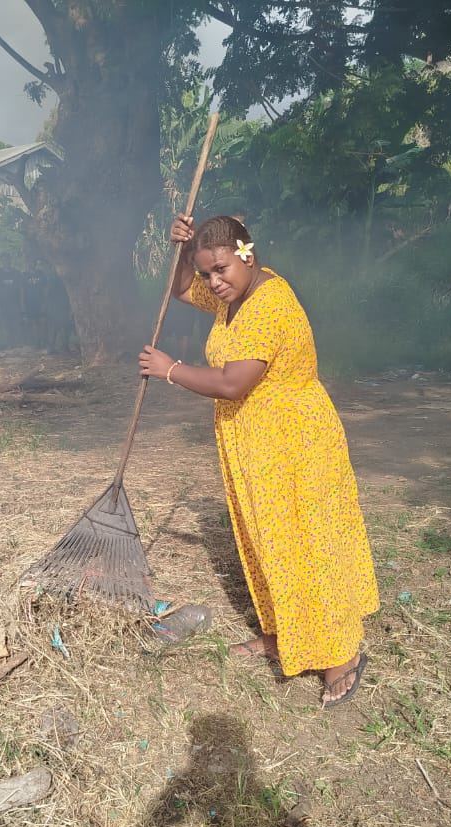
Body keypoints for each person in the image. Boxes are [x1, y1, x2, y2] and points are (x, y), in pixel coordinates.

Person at [138, 214, 380, 708]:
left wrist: (172, 370)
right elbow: (182, 289)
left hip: (295, 444)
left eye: (221, 268)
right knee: (269, 542)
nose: (213, 282)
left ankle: (340, 656)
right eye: (209, 272)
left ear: (247, 252)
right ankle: (286, 634)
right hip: (255, 444)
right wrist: (184, 251)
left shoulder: (269, 305)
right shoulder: (235, 295)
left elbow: (232, 383)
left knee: (310, 546)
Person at [0, 254, 23, 348]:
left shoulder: (16, 273)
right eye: (4, 260)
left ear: (10, 260)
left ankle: (17, 344)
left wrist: (21, 303)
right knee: (6, 324)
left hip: (15, 303)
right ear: (2, 261)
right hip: (3, 304)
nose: (6, 262)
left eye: (7, 260)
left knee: (16, 324)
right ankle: (8, 345)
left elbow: (21, 289)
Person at [22, 261, 50, 349]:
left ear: (35, 263)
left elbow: (46, 288)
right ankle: (37, 342)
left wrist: (45, 302)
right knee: (34, 323)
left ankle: (45, 341)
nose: (31, 264)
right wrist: (23, 304)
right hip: (30, 302)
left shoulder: (41, 274)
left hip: (41, 302)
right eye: (29, 262)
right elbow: (22, 291)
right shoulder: (24, 275)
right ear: (27, 263)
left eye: (32, 262)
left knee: (43, 321)